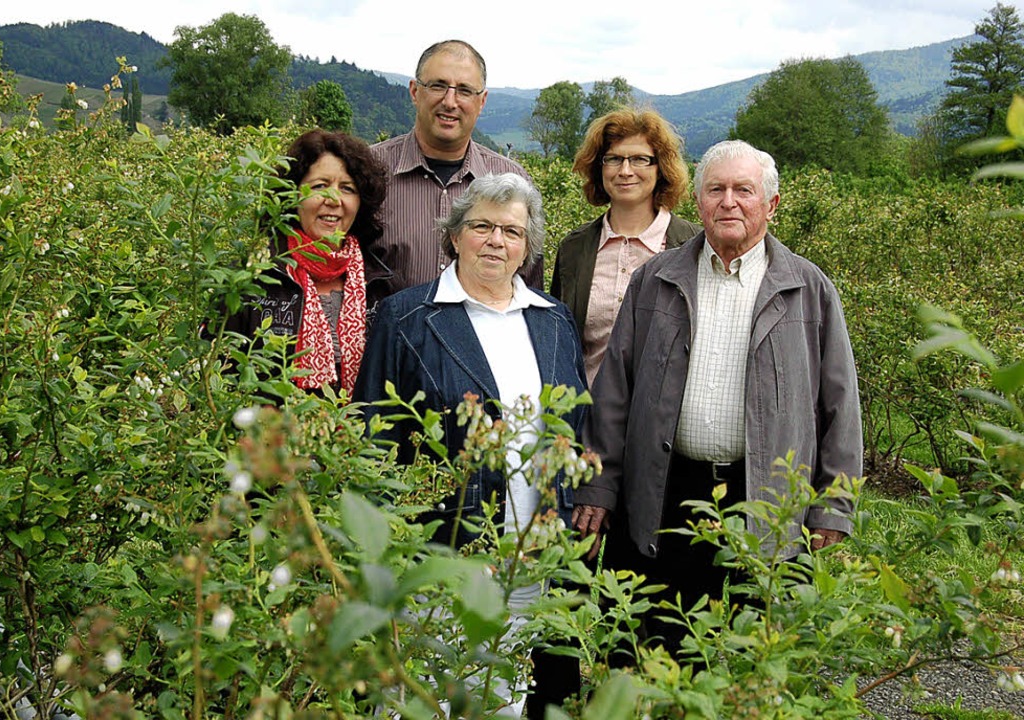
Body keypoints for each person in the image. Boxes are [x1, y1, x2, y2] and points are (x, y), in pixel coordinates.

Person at [572, 140, 862, 657]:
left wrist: (833, 506)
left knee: (758, 655)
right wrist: (598, 485)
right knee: (659, 648)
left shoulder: (808, 287)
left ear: (770, 205)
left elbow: (839, 405)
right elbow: (614, 392)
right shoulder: (656, 280)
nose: (729, 202)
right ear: (699, 202)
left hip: (768, 496)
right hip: (669, 491)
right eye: (717, 190)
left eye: (743, 191)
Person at [353, 173, 586, 716]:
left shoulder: (552, 321)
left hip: (530, 555)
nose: (496, 241)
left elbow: (574, 429)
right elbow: (373, 436)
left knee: (501, 698)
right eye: (481, 226)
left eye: (511, 230)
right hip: (440, 552)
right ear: (454, 235)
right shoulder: (409, 317)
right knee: (421, 696)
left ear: (528, 247)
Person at [368, 40, 542, 308]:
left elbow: (528, 288)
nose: (450, 102)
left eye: (464, 90)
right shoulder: (369, 171)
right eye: (438, 85)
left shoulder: (512, 180)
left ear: (482, 101)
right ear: (415, 91)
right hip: (387, 347)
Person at [222, 129, 388, 393]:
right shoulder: (251, 277)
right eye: (320, 186)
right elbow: (219, 375)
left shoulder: (381, 285)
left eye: (347, 188)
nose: (333, 200)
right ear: (292, 195)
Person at [550, 108, 701, 385]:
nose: (626, 170)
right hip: (588, 419)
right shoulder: (574, 250)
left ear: (661, 167)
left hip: (667, 422)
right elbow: (558, 343)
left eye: (640, 159)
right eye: (614, 159)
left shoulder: (695, 247)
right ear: (600, 167)